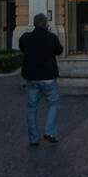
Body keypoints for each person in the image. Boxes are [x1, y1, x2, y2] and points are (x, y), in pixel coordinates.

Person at [20, 13, 64, 145]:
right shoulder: (51, 37)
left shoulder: (26, 37)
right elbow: (59, 51)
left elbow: (22, 47)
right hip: (48, 76)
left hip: (31, 77)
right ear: (46, 24)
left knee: (32, 107)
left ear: (34, 23)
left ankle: (33, 139)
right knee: (53, 104)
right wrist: (50, 34)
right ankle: (50, 132)